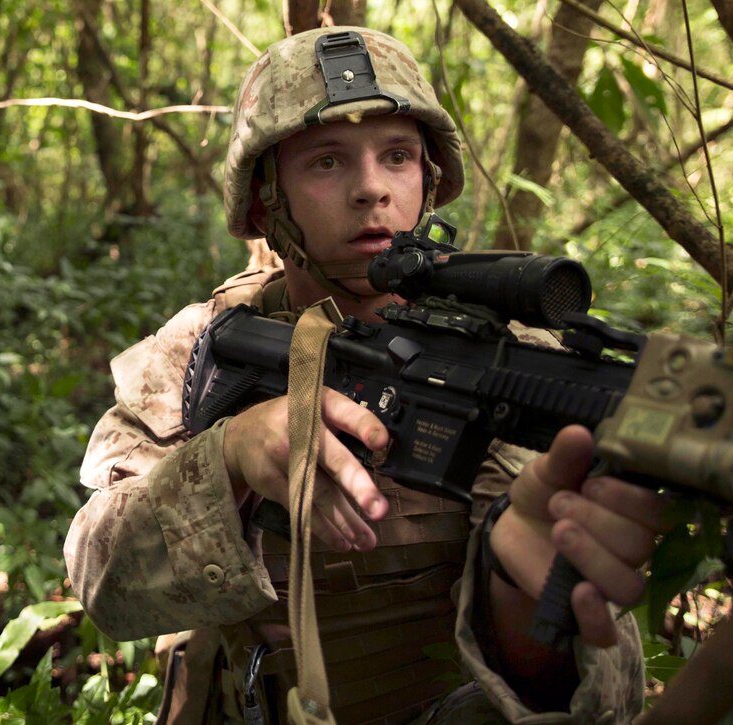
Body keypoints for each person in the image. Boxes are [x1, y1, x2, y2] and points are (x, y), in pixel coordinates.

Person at [64, 26, 668, 725]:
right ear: (266, 201)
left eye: (398, 156)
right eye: (326, 162)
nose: (372, 189)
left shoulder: (517, 360)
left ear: (429, 179)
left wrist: (523, 592)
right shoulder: (200, 348)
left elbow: (604, 700)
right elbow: (100, 579)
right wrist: (228, 457)